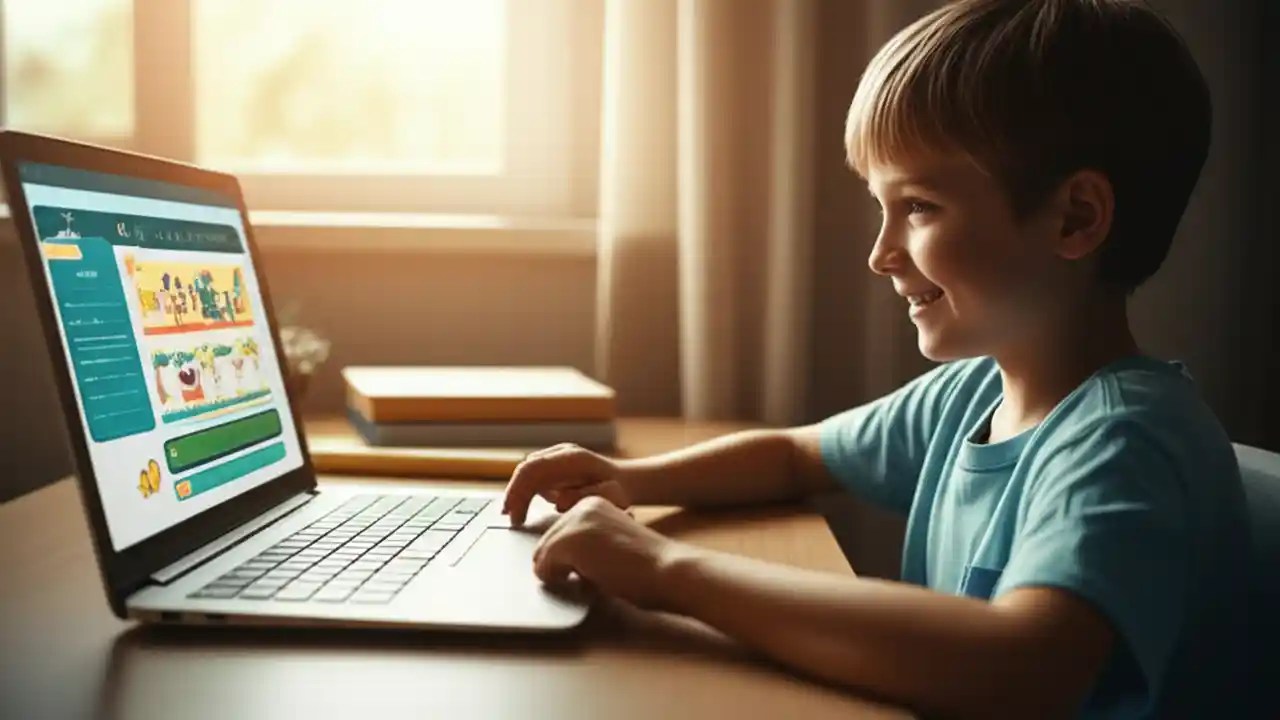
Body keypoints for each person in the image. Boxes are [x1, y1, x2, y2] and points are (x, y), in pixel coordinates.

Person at [501, 0, 1255, 716]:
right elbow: (795, 456)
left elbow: (1026, 665)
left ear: (1075, 217)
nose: (880, 254)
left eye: (919, 207)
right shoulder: (968, 395)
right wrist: (634, 479)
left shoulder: (1127, 440)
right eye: (880, 205)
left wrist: (669, 573)